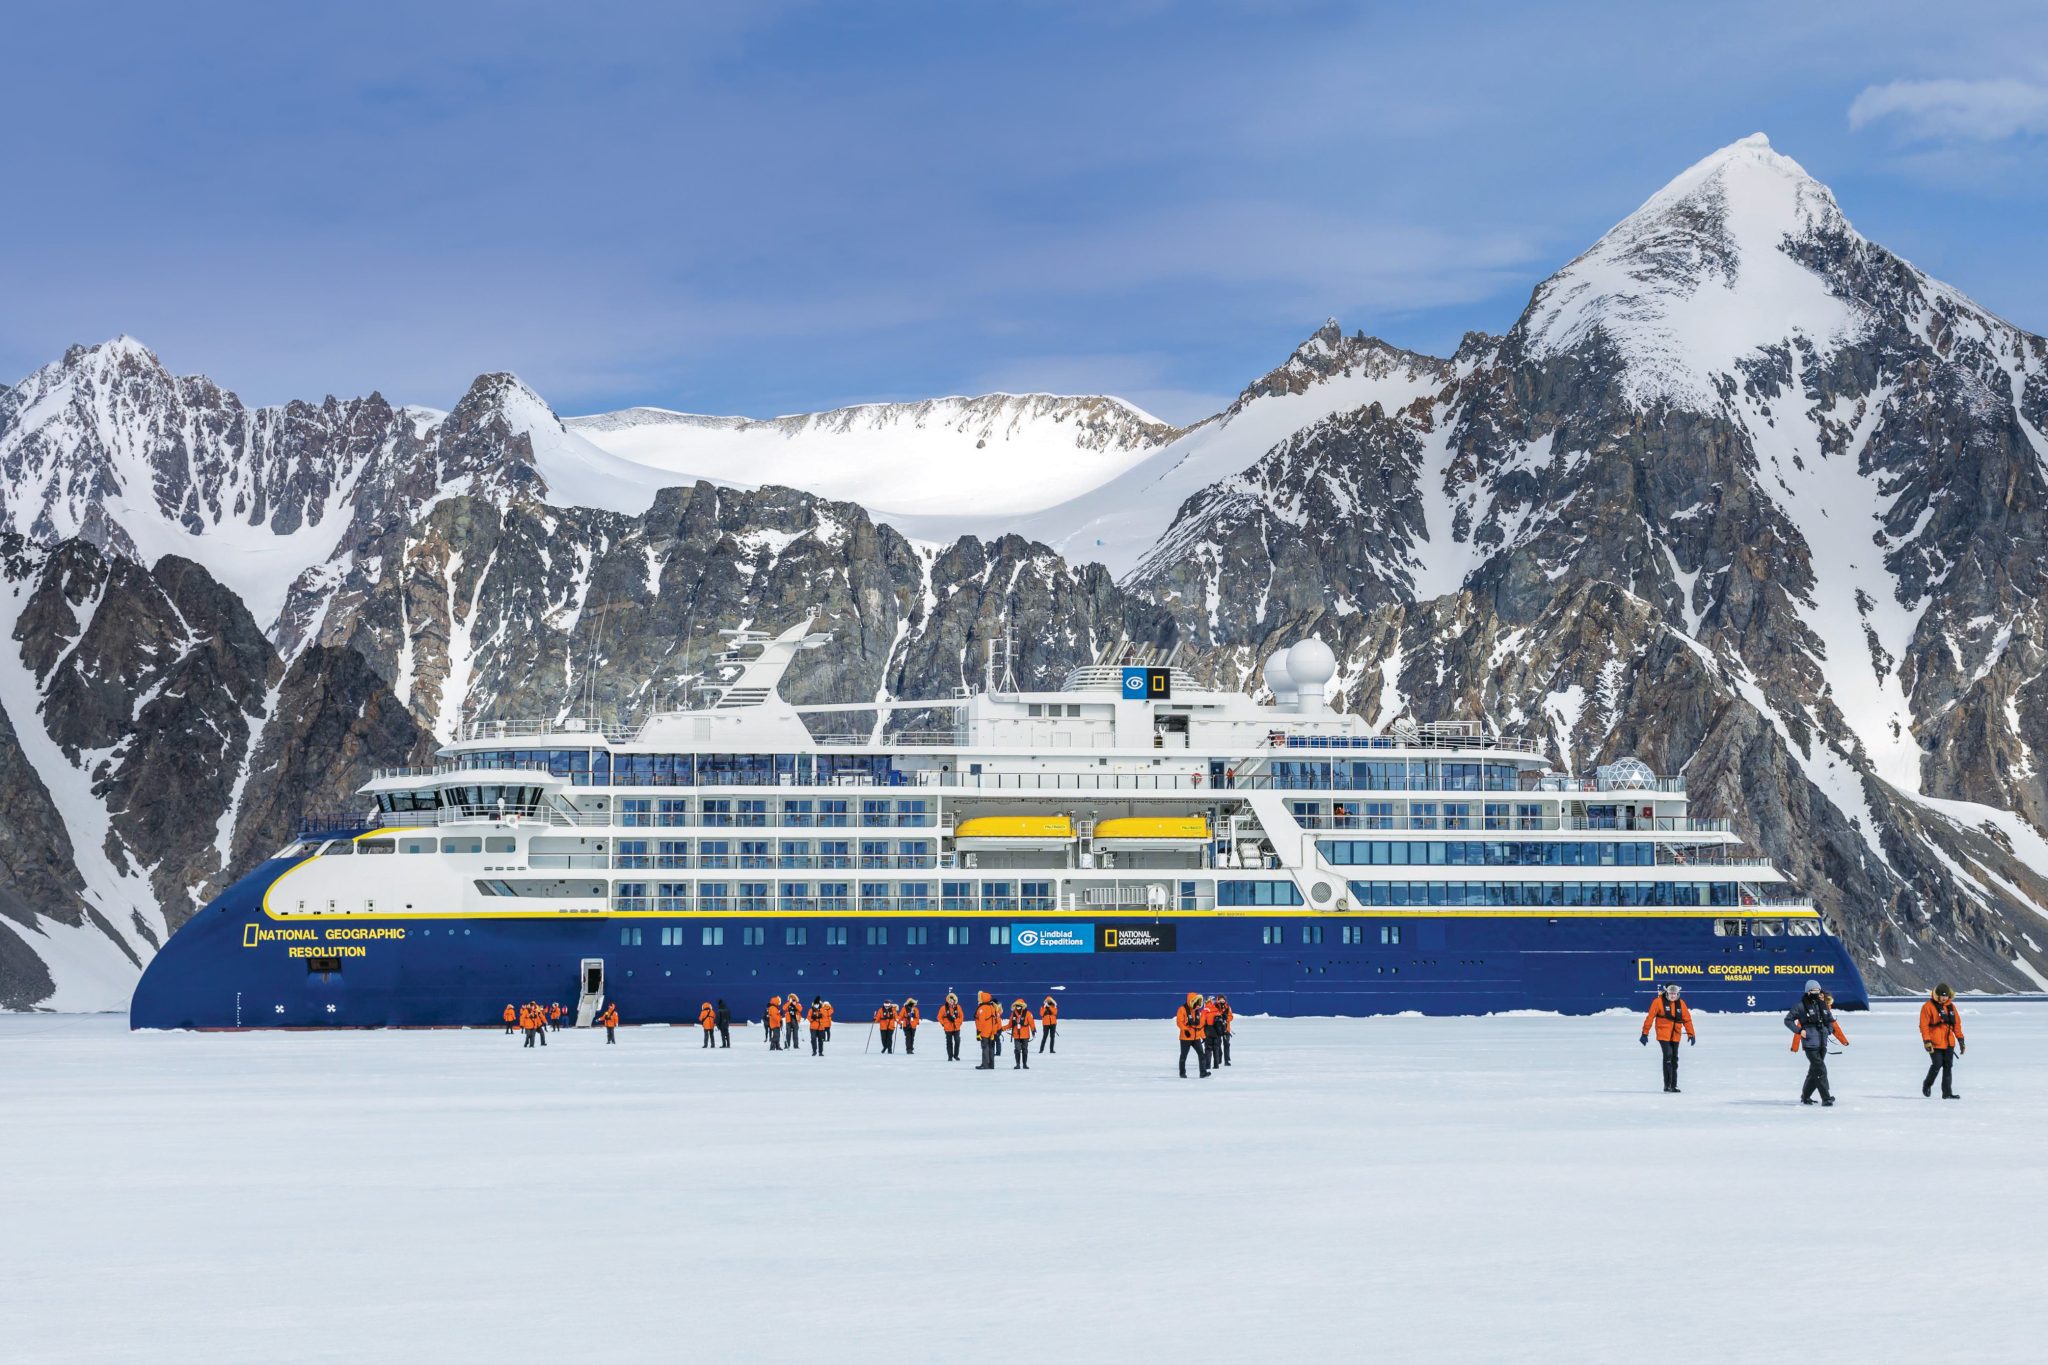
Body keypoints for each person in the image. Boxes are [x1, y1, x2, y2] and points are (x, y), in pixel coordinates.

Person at [1784, 980, 1848, 1105]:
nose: (1816, 993)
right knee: (1820, 1069)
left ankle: (1805, 1096)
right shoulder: (1800, 1006)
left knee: (1814, 1071)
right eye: (1814, 991)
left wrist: (1828, 1030)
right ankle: (1826, 1098)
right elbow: (1788, 1020)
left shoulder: (1822, 1005)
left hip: (1822, 1042)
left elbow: (1830, 1020)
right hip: (1810, 1043)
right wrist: (1799, 1031)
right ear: (1808, 992)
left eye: (1818, 990)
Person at [1639, 983, 1696, 1092]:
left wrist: (1691, 1034)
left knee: (1674, 1059)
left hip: (1676, 1035)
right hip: (1663, 1034)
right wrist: (1644, 1033)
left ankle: (1673, 1085)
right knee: (1668, 1056)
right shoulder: (1657, 1002)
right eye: (1671, 993)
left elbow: (1687, 1020)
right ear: (1667, 992)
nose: (1673, 996)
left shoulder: (1681, 1003)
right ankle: (1667, 1085)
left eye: (1675, 993)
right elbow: (1650, 1017)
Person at [1919, 983, 1965, 1099]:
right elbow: (1923, 1026)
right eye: (1942, 996)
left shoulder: (1951, 1007)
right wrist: (1927, 1041)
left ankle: (1947, 1093)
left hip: (1949, 1043)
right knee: (1937, 1064)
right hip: (1934, 1043)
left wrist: (1961, 1040)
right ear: (1937, 995)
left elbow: (1957, 1025)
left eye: (1946, 996)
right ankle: (1927, 1084)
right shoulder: (1927, 1006)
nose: (1944, 998)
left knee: (1948, 1067)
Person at [1176, 991, 1210, 1079]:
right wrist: (1185, 1030)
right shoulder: (1182, 1009)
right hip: (1185, 1038)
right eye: (1197, 1003)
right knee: (1183, 1056)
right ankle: (1182, 1073)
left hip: (1196, 1038)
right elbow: (1179, 1022)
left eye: (1199, 1004)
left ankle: (1203, 1073)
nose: (1199, 1006)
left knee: (1201, 1054)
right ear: (1192, 1002)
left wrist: (1203, 1037)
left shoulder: (1197, 1012)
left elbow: (1199, 1026)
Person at [974, 991, 1001, 1069]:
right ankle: (991, 1065)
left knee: (985, 1047)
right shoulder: (992, 1007)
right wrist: (995, 1031)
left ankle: (985, 1065)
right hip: (992, 1032)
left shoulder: (982, 1009)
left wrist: (978, 1032)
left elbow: (981, 1022)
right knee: (991, 1048)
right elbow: (996, 1020)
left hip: (984, 1032)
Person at [1009, 999, 1035, 1068]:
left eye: (1019, 1005)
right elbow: (1010, 1024)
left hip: (1025, 1035)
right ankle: (1017, 1064)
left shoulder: (1028, 1013)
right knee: (1017, 1049)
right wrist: (1001, 1029)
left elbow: (1031, 1023)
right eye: (1017, 1006)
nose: (1018, 1007)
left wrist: (1033, 1030)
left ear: (1022, 1006)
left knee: (1024, 1050)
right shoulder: (1013, 1014)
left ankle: (1024, 1064)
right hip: (1016, 1035)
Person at [938, 992, 964, 1061]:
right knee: (949, 1042)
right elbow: (939, 1017)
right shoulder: (943, 1008)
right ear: (947, 1000)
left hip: (956, 1027)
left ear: (954, 1001)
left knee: (957, 1041)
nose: (951, 1002)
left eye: (952, 1000)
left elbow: (961, 1016)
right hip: (948, 1028)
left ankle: (956, 1055)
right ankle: (950, 1056)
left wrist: (959, 1023)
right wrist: (943, 1024)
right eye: (950, 1000)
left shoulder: (958, 1007)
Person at [1200, 995, 1221, 1071]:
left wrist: (1202, 1035)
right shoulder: (1216, 1010)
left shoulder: (1205, 1010)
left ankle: (1207, 1065)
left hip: (1208, 1031)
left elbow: (1201, 1024)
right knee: (1216, 1048)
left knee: (1208, 1048)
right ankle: (1216, 1065)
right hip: (1217, 1031)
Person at [1213, 995, 1234, 1067]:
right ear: (1217, 1000)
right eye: (1220, 1000)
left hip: (1226, 1029)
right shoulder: (1214, 1007)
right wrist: (1219, 1017)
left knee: (1227, 1044)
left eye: (1223, 1000)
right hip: (1217, 1029)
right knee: (1218, 1044)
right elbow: (1212, 1015)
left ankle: (1227, 1060)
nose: (1222, 1001)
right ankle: (1219, 1058)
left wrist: (1226, 1018)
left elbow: (1231, 1016)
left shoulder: (1228, 1007)